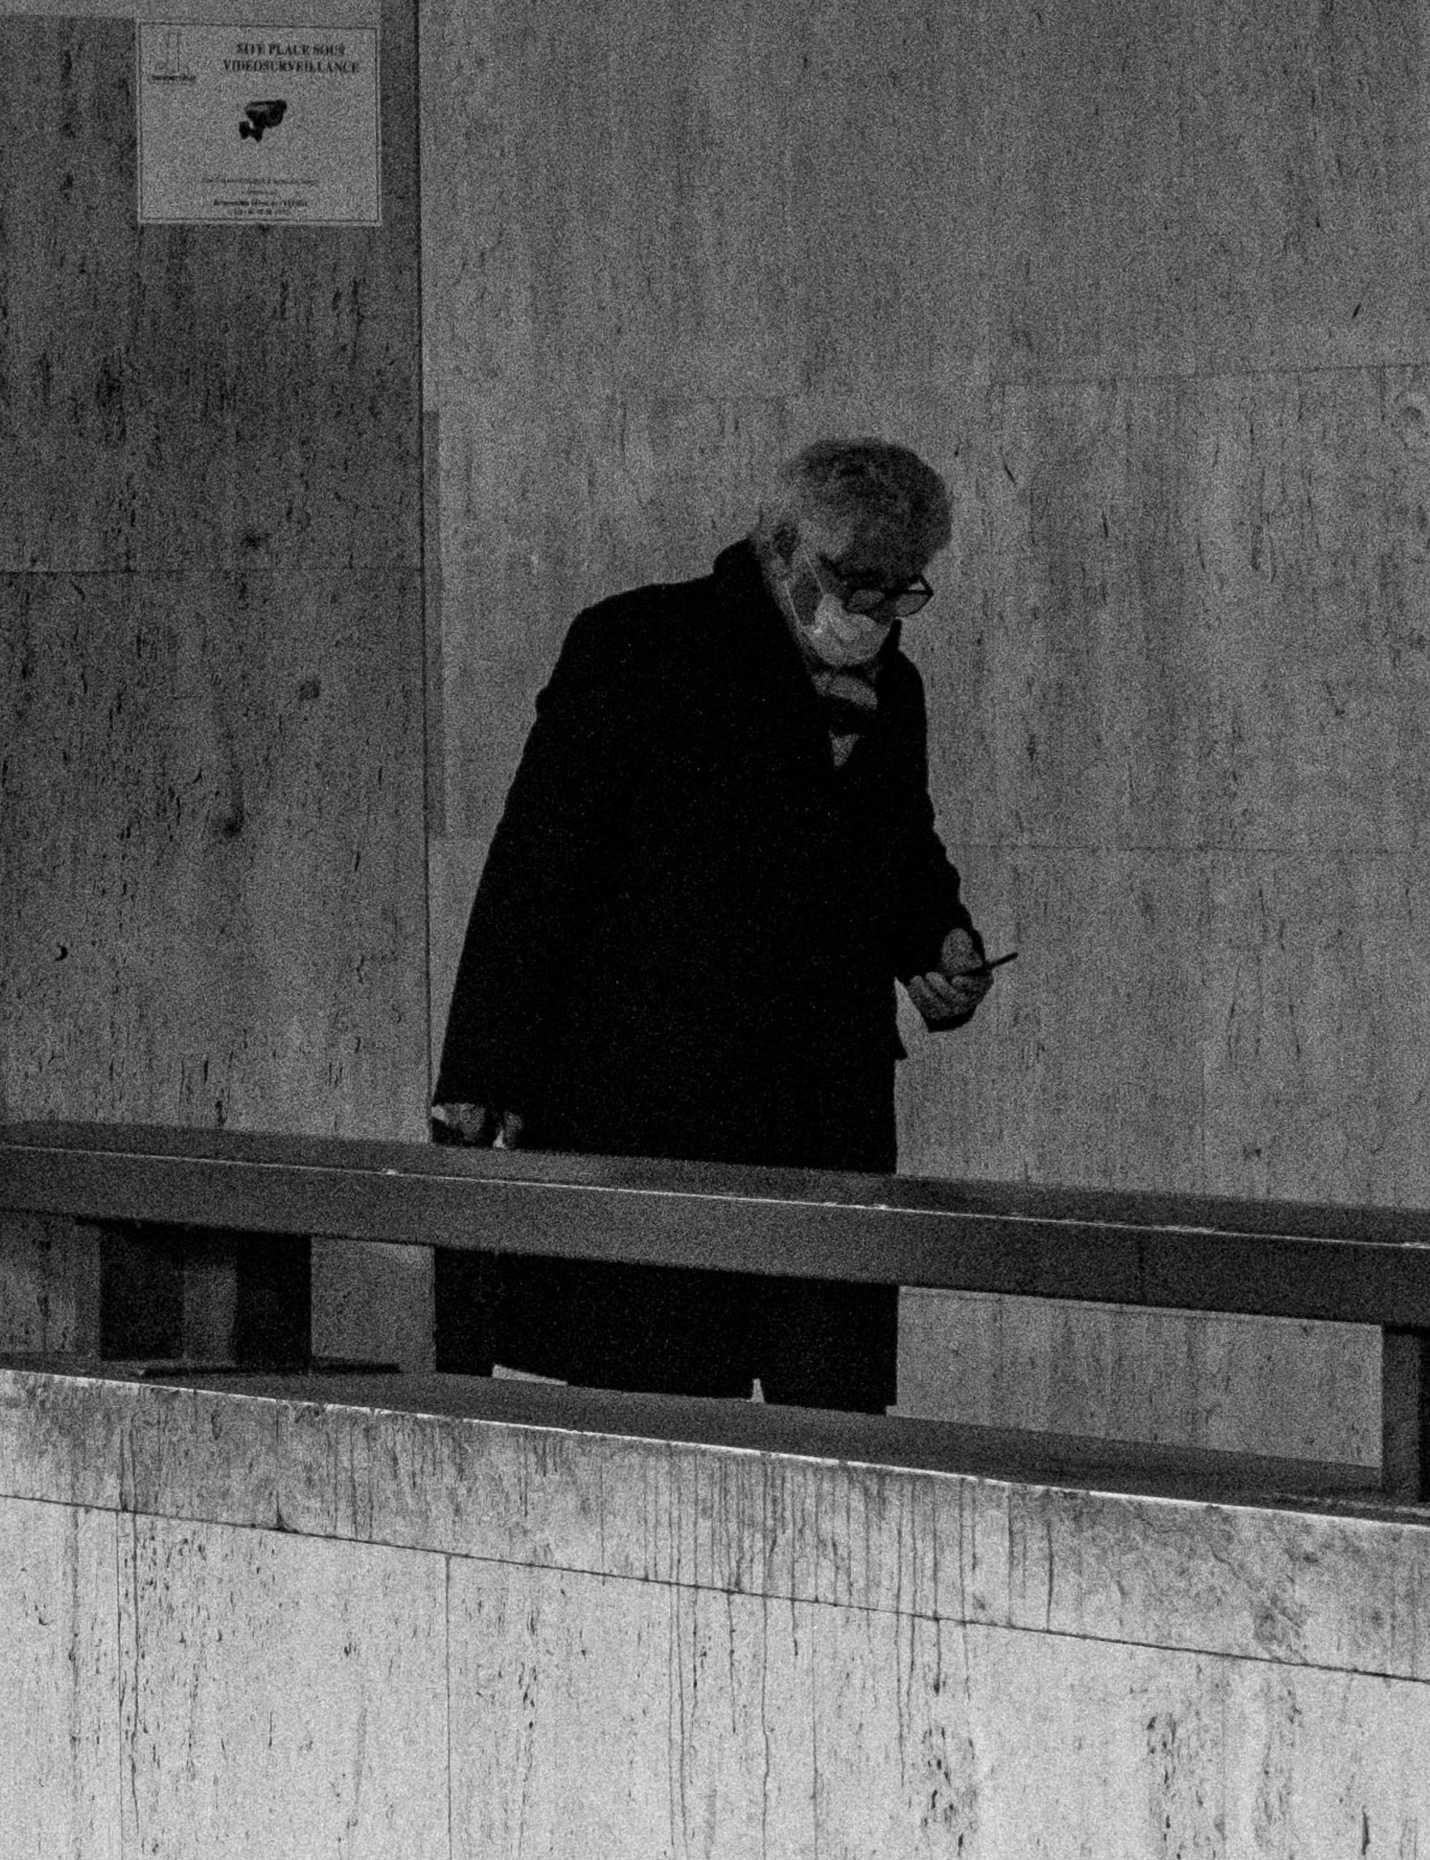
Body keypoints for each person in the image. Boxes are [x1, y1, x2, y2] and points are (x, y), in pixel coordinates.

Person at [426, 436, 1001, 1408]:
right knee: (666, 1403)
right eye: (855, 580)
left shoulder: (894, 691)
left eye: (902, 588)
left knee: (831, 1417)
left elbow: (898, 849)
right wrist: (481, 1077)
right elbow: (537, 870)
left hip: (824, 1109)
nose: (874, 611)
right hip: (658, 1100)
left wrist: (940, 942)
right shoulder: (642, 645)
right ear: (781, 549)